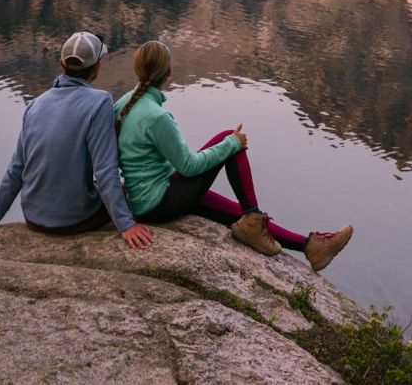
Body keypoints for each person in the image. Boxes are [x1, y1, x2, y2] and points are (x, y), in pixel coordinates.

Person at [114, 40, 352, 272]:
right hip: (159, 202)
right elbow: (188, 166)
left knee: (234, 211)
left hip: (145, 199)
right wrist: (231, 144)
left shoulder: (124, 103)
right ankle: (253, 219)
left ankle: (309, 246)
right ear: (169, 71)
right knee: (230, 139)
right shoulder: (156, 117)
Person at [0, 31, 152, 249]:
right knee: (129, 193)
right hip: (75, 220)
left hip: (34, 219)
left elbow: (16, 168)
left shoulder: (35, 104)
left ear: (62, 62)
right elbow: (105, 171)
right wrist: (126, 225)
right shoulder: (100, 102)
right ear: (98, 65)